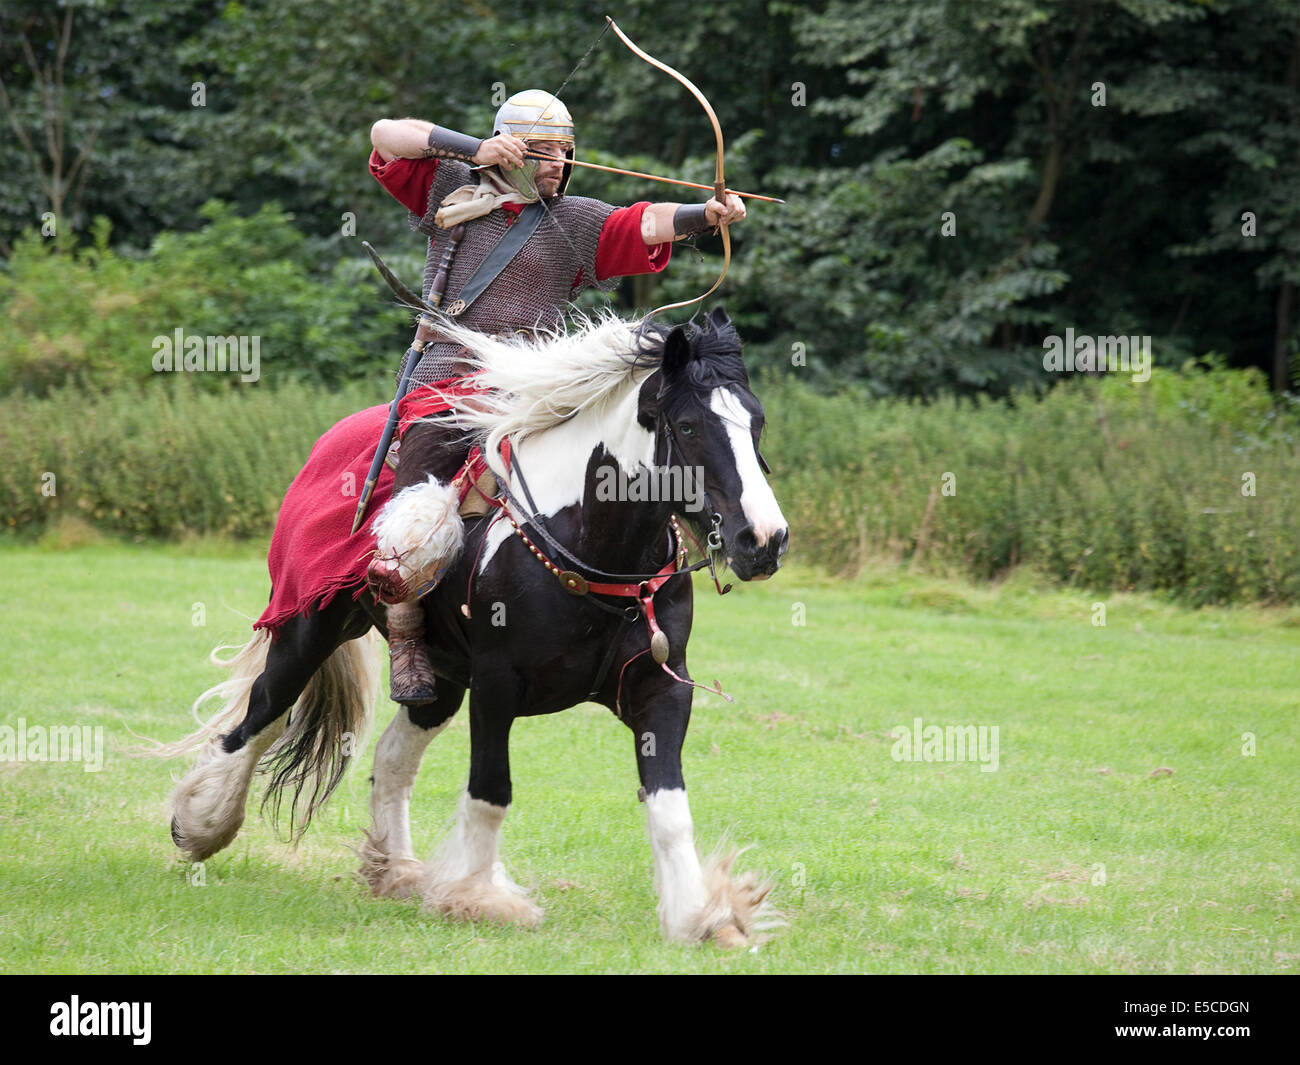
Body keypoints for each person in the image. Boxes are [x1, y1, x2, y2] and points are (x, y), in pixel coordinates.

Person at [366, 89, 745, 705]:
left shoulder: (573, 221)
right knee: (420, 496)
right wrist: (473, 148)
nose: (556, 165)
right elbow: (386, 131)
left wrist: (705, 214)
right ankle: (406, 631)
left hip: (533, 390)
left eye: (563, 153)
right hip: (449, 382)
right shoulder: (450, 186)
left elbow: (643, 221)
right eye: (541, 152)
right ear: (507, 149)